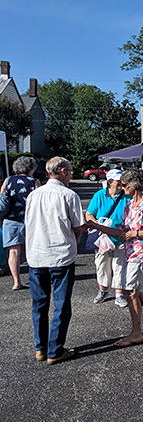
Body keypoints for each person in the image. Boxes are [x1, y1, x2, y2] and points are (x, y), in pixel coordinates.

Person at [87, 169, 143, 347]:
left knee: (130, 290)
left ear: (133, 186)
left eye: (125, 184)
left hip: (141, 254)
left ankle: (137, 333)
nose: (122, 187)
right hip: (129, 251)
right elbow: (122, 233)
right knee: (129, 290)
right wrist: (96, 226)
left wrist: (136, 233)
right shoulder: (129, 205)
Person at [25, 157, 85, 364]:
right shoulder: (69, 195)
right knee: (61, 305)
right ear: (61, 171)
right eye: (69, 170)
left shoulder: (34, 195)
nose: (71, 173)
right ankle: (55, 349)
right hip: (61, 255)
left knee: (39, 304)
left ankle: (40, 348)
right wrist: (74, 242)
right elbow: (78, 227)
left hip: (36, 255)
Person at [85, 169, 130, 307]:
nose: (121, 183)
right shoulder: (99, 195)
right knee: (102, 264)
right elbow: (89, 215)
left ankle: (119, 294)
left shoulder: (127, 196)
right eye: (118, 181)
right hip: (103, 237)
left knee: (120, 266)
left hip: (121, 236)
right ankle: (103, 290)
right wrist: (99, 225)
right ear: (110, 182)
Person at [1, 156, 40, 290]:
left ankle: (16, 282)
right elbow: (38, 203)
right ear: (31, 168)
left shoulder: (8, 180)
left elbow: (2, 200)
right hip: (29, 221)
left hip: (10, 220)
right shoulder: (34, 181)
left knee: (13, 251)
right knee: (32, 250)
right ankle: (35, 279)